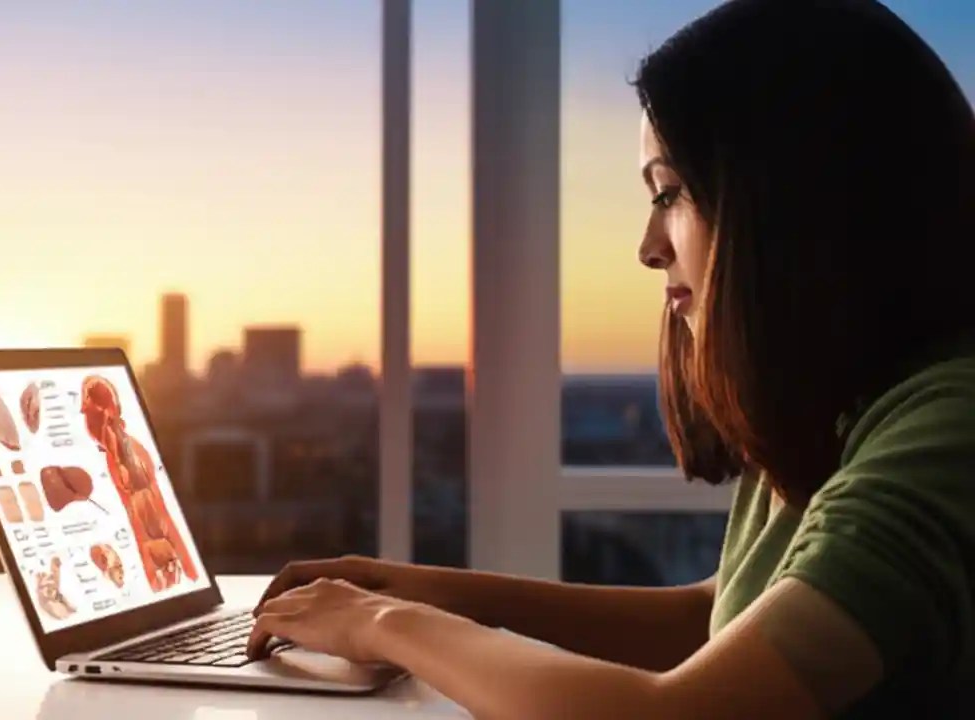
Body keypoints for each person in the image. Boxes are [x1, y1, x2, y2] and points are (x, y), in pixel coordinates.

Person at [245, 1, 975, 717]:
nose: (649, 247)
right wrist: (430, 592)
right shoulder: (848, 398)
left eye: (670, 193)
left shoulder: (947, 432)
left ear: (793, 199)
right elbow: (720, 618)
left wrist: (382, 627)